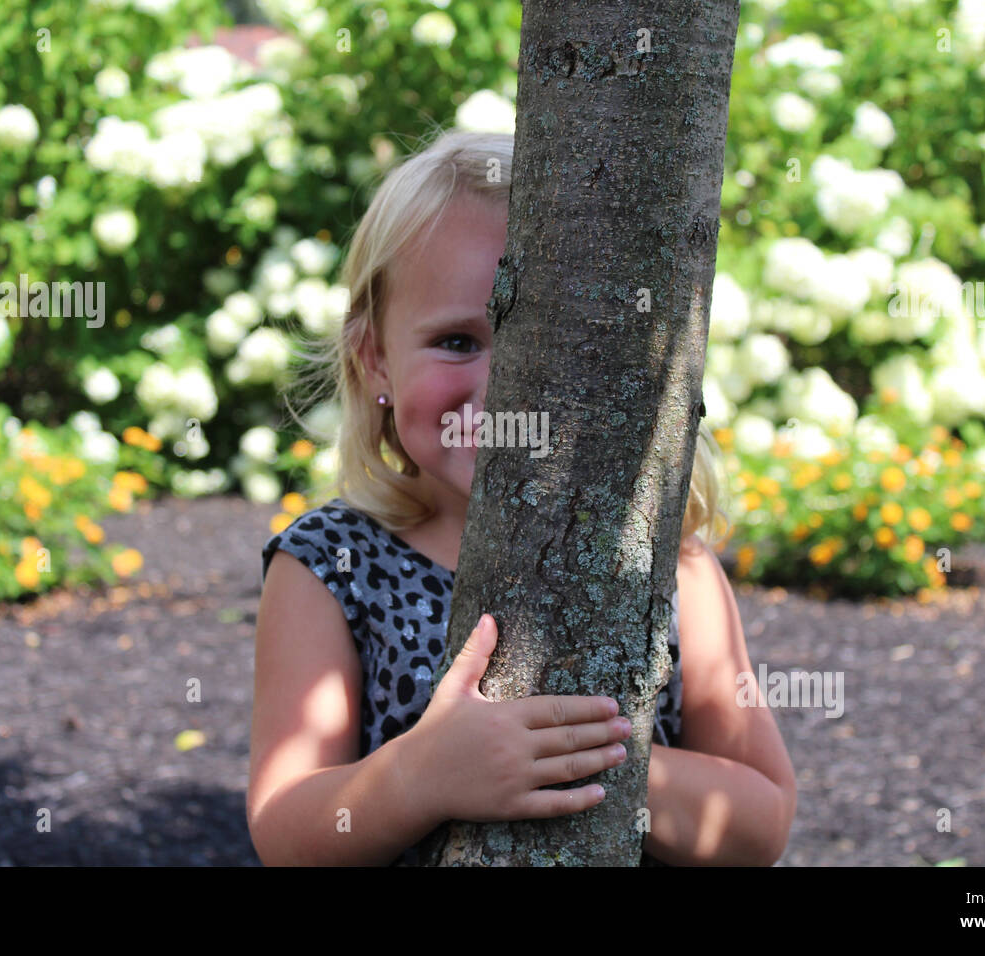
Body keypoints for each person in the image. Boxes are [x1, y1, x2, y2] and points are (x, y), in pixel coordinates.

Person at [246, 127, 796, 866]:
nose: (510, 387)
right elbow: (287, 827)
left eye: (552, 343)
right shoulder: (331, 566)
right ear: (374, 357)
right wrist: (422, 775)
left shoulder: (672, 562)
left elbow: (759, 822)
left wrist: (598, 761)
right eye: (458, 342)